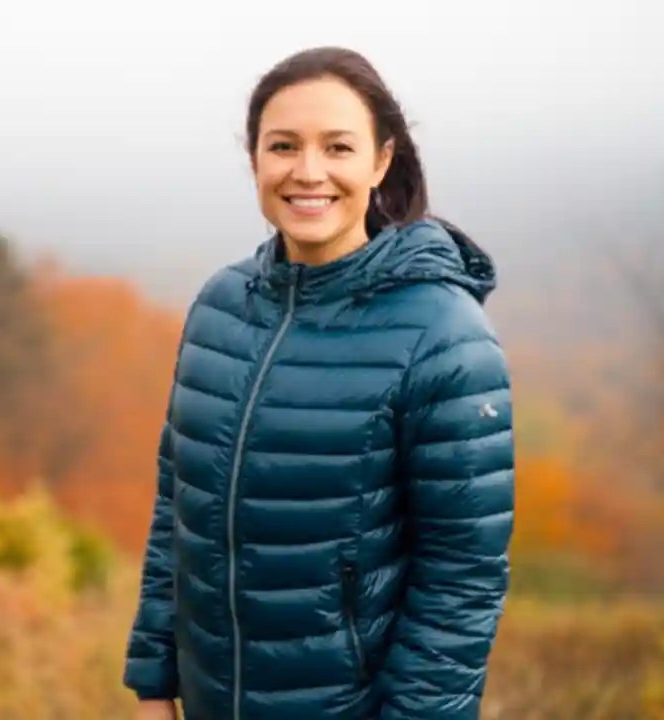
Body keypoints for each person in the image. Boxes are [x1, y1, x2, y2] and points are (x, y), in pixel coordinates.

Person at [122, 46, 516, 720]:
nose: (308, 172)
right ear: (254, 160)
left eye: (338, 147)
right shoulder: (220, 306)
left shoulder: (443, 335)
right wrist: (154, 682)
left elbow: (460, 582)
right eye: (283, 146)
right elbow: (175, 511)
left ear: (380, 160)